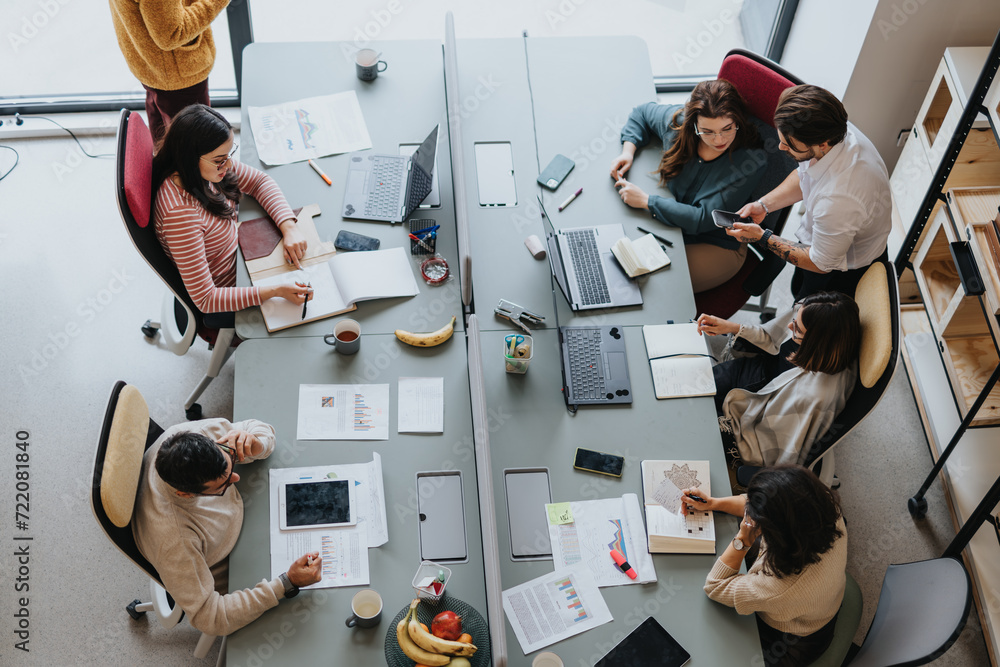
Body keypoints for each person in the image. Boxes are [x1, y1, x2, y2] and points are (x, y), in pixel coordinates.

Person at [132, 417, 322, 636]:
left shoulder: (194, 434)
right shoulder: (175, 540)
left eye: (230, 461)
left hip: (243, 522)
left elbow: (258, 427)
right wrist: (286, 583)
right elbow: (210, 618)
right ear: (186, 494)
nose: (236, 476)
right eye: (222, 485)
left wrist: (256, 443)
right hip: (226, 564)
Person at [730, 84, 891, 300]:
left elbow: (820, 263)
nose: (780, 147)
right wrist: (764, 205)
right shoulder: (833, 132)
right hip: (825, 239)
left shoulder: (838, 199)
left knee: (804, 316)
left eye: (789, 144)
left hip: (839, 272)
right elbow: (805, 174)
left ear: (822, 144)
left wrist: (763, 237)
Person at [610, 80, 769, 293]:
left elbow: (703, 219)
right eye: (707, 131)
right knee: (619, 259)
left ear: (737, 120)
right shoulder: (678, 124)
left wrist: (648, 201)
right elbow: (641, 113)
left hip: (717, 243)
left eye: (727, 128)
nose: (719, 139)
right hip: (673, 221)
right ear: (693, 125)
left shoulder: (750, 162)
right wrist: (627, 151)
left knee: (647, 288)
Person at [153, 104, 311, 314]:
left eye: (229, 154)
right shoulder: (180, 216)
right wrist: (275, 290)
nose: (228, 166)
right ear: (190, 157)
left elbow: (259, 182)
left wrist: (289, 227)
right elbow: (206, 299)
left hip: (244, 252)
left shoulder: (206, 169)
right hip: (232, 288)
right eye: (220, 160)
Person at [683, 465, 847, 667]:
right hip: (816, 598)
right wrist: (713, 503)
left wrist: (743, 537)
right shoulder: (821, 503)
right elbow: (767, 504)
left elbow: (715, 585)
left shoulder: (781, 586)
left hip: (791, 639)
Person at [696, 291, 860, 467]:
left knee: (696, 425)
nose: (790, 326)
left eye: (798, 329)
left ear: (815, 344)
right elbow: (772, 335)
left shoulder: (815, 394)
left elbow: (776, 448)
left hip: (759, 415)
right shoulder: (809, 312)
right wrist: (731, 327)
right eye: (794, 319)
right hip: (760, 370)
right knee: (691, 388)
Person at [109, 0, 230, 142]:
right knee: (196, 147)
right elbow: (172, 34)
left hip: (154, 67)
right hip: (178, 76)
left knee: (165, 137)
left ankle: (167, 161)